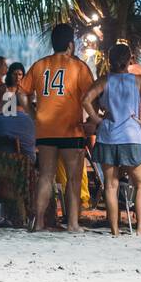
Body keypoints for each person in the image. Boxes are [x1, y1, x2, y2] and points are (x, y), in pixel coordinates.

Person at [20, 23, 96, 232]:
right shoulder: (79, 67)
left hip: (45, 128)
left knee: (46, 176)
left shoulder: (39, 65)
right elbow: (91, 96)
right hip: (71, 129)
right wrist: (92, 119)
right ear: (71, 44)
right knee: (73, 178)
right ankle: (72, 224)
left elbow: (21, 94)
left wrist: (33, 114)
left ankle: (39, 223)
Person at [82, 42, 141, 236]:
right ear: (130, 60)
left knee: (111, 185)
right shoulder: (138, 80)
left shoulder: (104, 80)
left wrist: (97, 119)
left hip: (108, 135)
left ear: (109, 61)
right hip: (132, 135)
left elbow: (85, 100)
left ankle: (115, 230)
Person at [0, 65, 36, 158]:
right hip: (5, 124)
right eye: (15, 74)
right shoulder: (3, 88)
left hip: (22, 125)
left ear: (23, 76)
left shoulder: (26, 90)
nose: (17, 77)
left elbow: (31, 110)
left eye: (20, 74)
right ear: (10, 75)